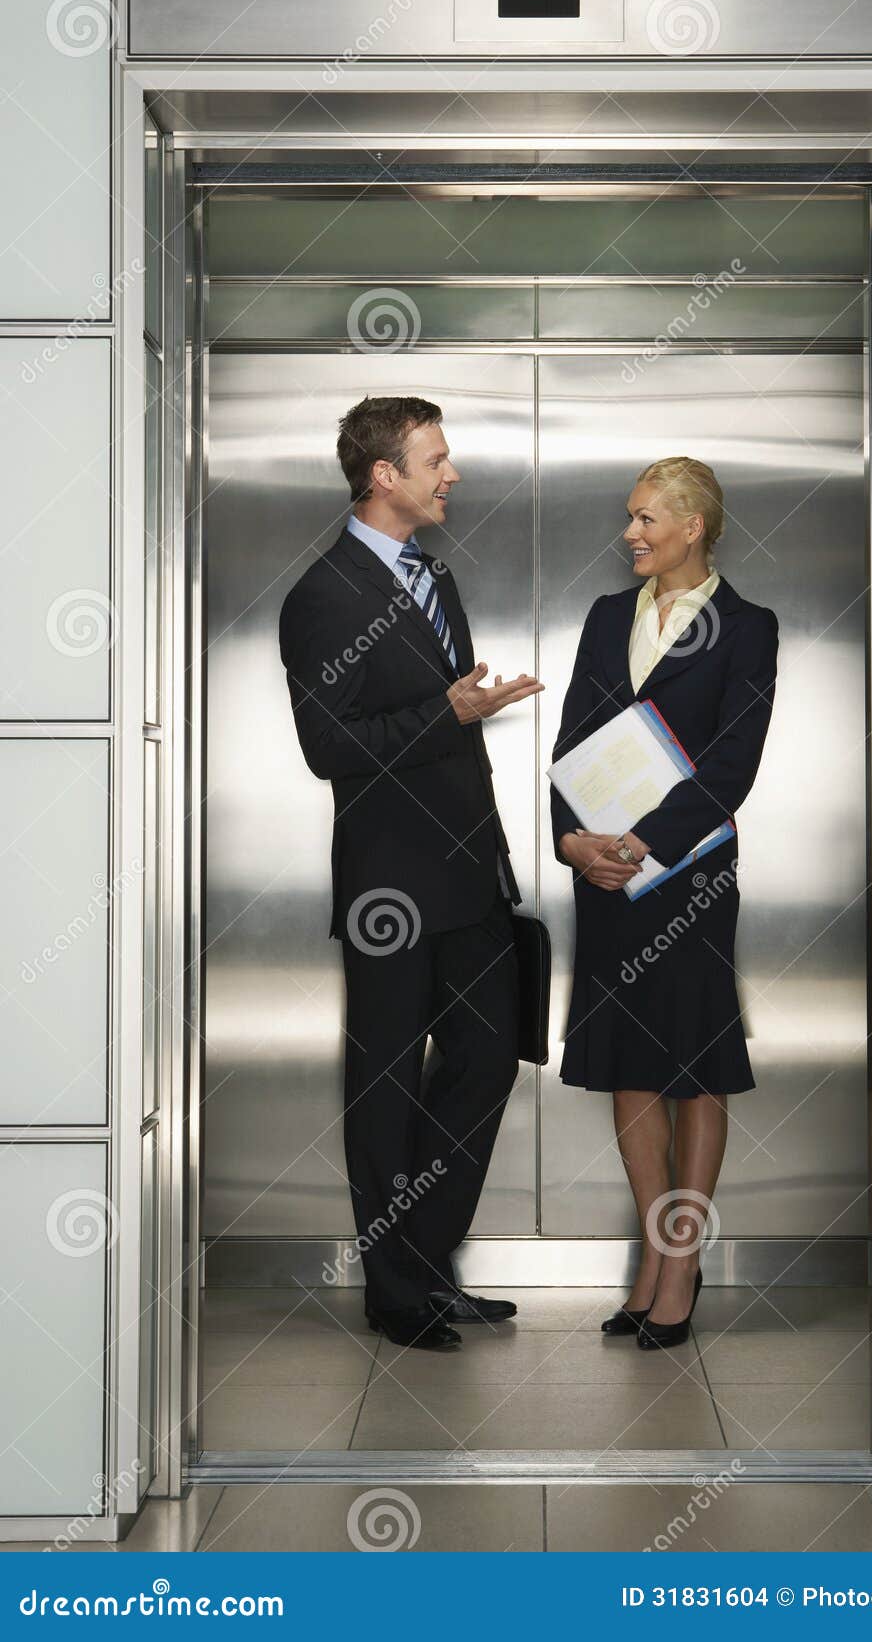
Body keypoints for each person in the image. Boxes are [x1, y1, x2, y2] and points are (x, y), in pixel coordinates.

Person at [279, 395, 542, 1351]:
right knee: (385, 1087)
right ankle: (394, 1293)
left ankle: (425, 1265)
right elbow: (327, 747)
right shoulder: (323, 595)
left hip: (470, 875)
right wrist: (451, 714)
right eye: (435, 460)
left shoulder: (433, 576)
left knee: (487, 1059)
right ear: (382, 475)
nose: (451, 474)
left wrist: (463, 722)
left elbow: (445, 729)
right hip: (388, 889)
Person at [550, 457, 778, 1350]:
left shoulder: (747, 627)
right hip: (606, 872)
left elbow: (734, 761)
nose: (630, 533)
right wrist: (572, 842)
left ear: (694, 526)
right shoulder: (609, 616)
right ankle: (652, 1256)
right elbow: (572, 739)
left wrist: (646, 840)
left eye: (646, 519)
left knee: (695, 1059)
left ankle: (680, 1263)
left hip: (687, 872)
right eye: (630, 516)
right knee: (629, 1060)